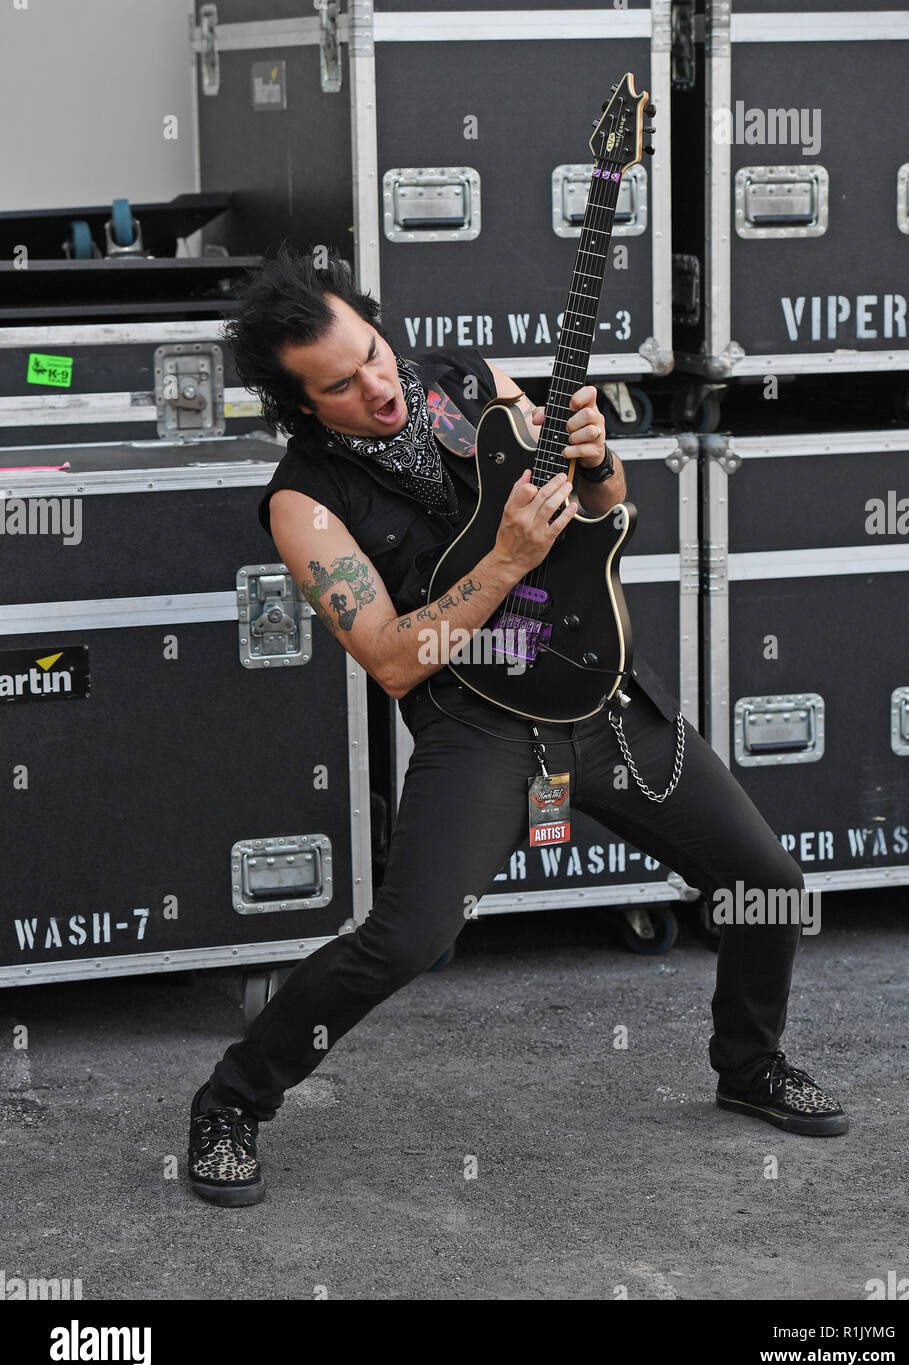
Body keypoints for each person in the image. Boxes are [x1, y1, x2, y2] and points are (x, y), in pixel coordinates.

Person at [187, 249, 847, 1207]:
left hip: (600, 696)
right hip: (480, 727)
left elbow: (600, 511)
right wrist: (500, 563)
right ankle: (230, 1103)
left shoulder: (473, 387)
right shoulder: (304, 502)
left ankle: (749, 1066)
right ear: (300, 406)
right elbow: (390, 658)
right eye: (339, 384)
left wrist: (598, 458)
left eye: (372, 353)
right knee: (404, 941)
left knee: (771, 886)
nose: (376, 387)